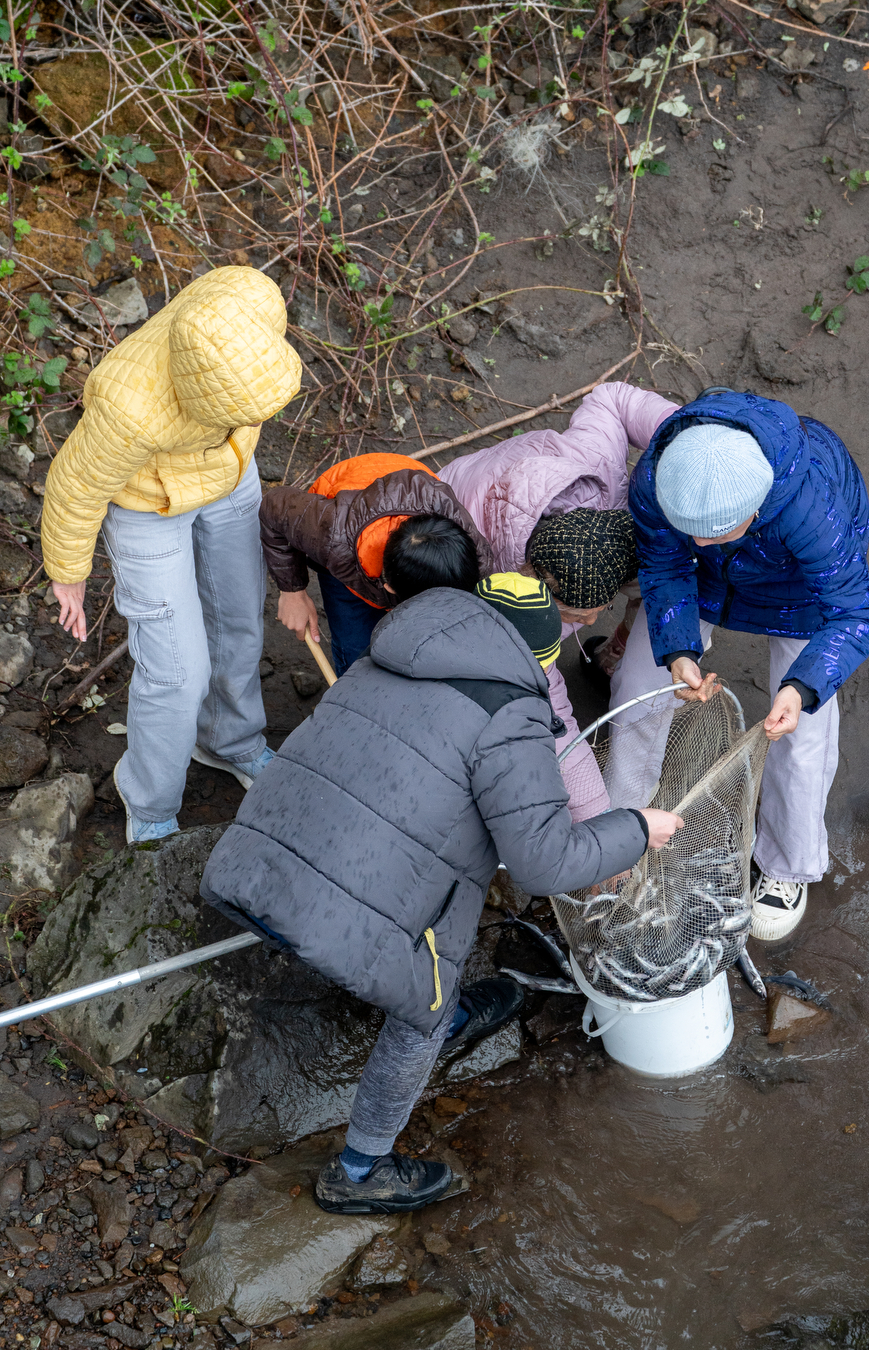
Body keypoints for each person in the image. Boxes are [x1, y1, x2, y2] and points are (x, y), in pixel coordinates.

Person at [200, 574, 683, 1213]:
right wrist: (636, 827)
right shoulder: (512, 716)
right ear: (539, 660)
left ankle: (453, 1010)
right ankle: (359, 1169)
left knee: (431, 945)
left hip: (249, 864)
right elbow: (541, 862)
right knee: (418, 1011)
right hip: (339, 905)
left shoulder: (383, 656)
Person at [40, 266, 303, 843]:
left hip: (230, 477)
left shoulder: (252, 298)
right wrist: (69, 573)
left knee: (239, 621)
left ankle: (229, 740)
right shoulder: (129, 409)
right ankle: (151, 802)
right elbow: (76, 485)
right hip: (147, 504)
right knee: (178, 672)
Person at [613, 387, 869, 941]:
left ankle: (787, 866)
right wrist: (680, 649)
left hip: (799, 590)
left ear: (758, 508)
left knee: (799, 734)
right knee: (636, 682)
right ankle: (619, 827)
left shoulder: (813, 509)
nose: (699, 540)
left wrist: (802, 688)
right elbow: (665, 564)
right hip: (714, 581)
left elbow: (854, 613)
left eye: (715, 532)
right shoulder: (659, 480)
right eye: (691, 530)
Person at [438, 379, 678, 821]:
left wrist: (688, 439)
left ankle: (617, 649)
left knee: (664, 578)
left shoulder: (598, 469)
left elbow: (611, 397)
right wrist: (597, 817)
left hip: (526, 492)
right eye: (578, 615)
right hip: (451, 511)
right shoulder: (507, 606)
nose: (588, 624)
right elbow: (555, 721)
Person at [259, 452, 493, 675]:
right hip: (348, 520)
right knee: (355, 648)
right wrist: (293, 592)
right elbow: (274, 506)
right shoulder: (332, 536)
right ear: (390, 588)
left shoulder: (474, 557)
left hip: (402, 488)